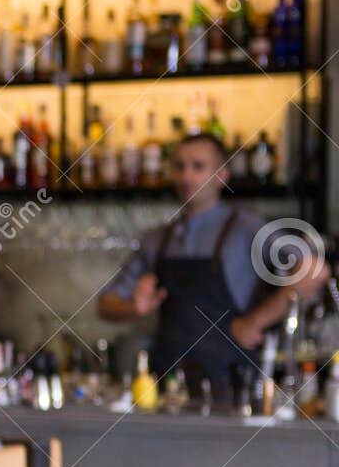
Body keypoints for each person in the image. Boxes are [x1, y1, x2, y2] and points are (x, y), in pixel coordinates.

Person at [98, 132, 330, 397]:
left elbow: (314, 271)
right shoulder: (156, 239)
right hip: (167, 388)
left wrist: (256, 321)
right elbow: (106, 305)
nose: (186, 176)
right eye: (179, 167)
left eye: (198, 166)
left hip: (232, 387)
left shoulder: (246, 228)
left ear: (222, 175)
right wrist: (133, 307)